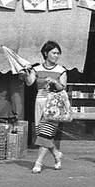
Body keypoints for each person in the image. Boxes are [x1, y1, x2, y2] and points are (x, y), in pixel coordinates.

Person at [21, 41, 69, 173]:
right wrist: (26, 73)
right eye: (54, 53)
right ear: (46, 53)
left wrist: (54, 81)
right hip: (40, 101)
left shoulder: (61, 70)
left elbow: (62, 88)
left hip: (54, 103)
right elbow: (30, 82)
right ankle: (56, 156)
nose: (56, 55)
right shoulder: (36, 69)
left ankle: (38, 163)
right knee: (42, 133)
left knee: (45, 133)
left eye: (58, 53)